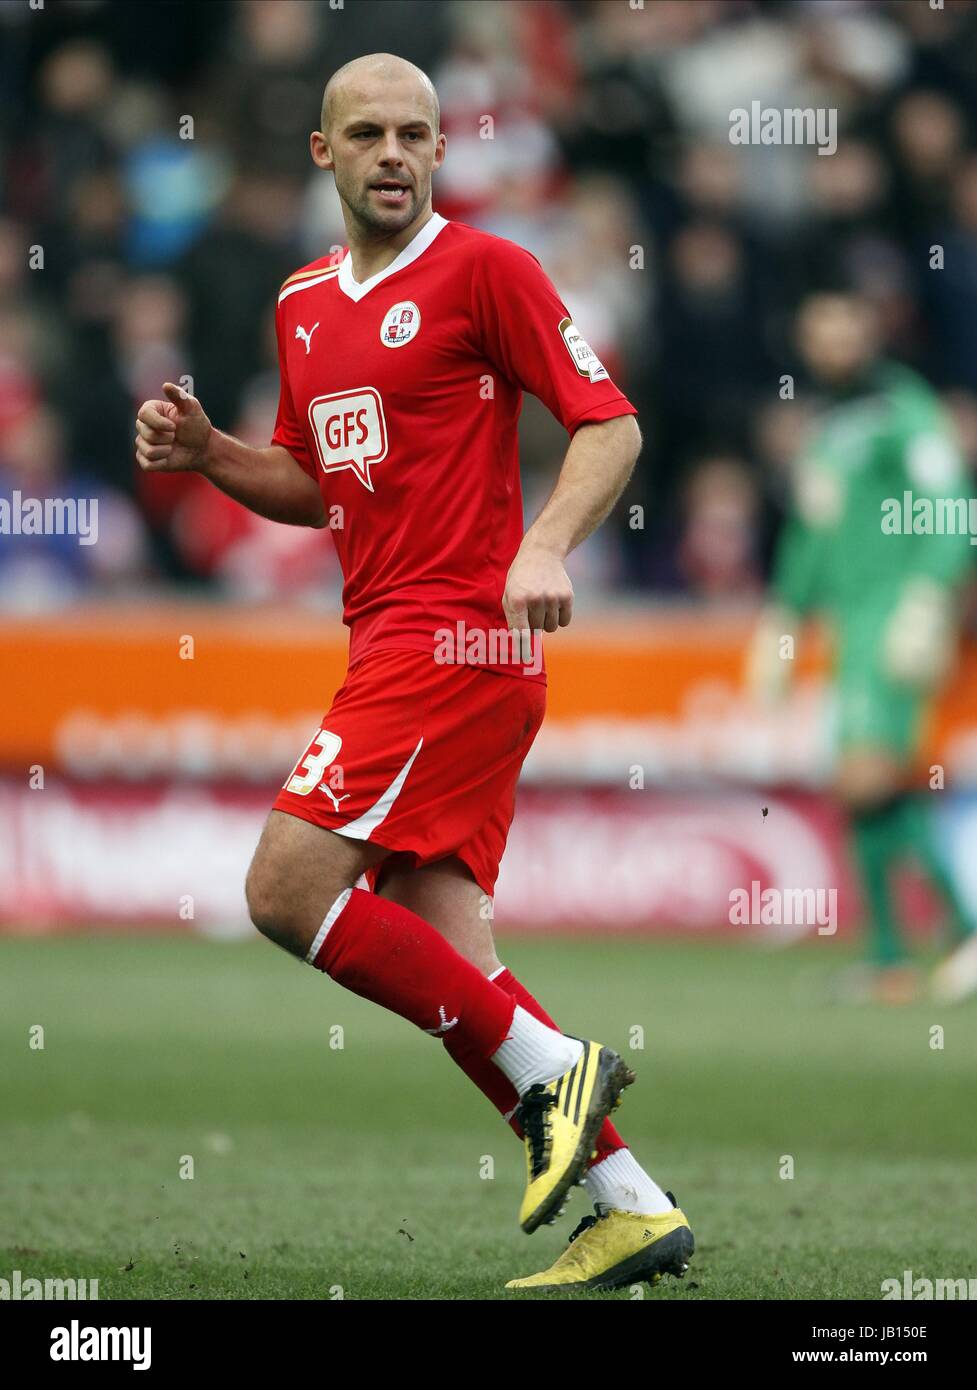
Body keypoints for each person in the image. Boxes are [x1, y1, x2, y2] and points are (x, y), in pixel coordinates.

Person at [134, 52, 693, 1292]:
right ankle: (629, 1204)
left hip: (458, 640)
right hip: (387, 633)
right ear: (324, 153)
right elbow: (312, 479)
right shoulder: (301, 304)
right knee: (453, 957)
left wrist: (543, 543)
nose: (395, 152)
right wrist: (213, 453)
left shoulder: (486, 269)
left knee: (286, 889)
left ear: (442, 152)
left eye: (417, 134)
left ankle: (552, 1065)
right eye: (370, 133)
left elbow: (611, 421)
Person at [747, 290, 976, 1004]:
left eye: (844, 329)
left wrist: (929, 596)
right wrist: (785, 614)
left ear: (867, 334)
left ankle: (956, 933)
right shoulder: (825, 427)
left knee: (869, 774)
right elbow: (813, 533)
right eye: (819, 332)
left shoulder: (902, 411)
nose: (832, 345)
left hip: (894, 613)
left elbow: (950, 507)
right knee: (857, 780)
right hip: (848, 623)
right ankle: (891, 957)